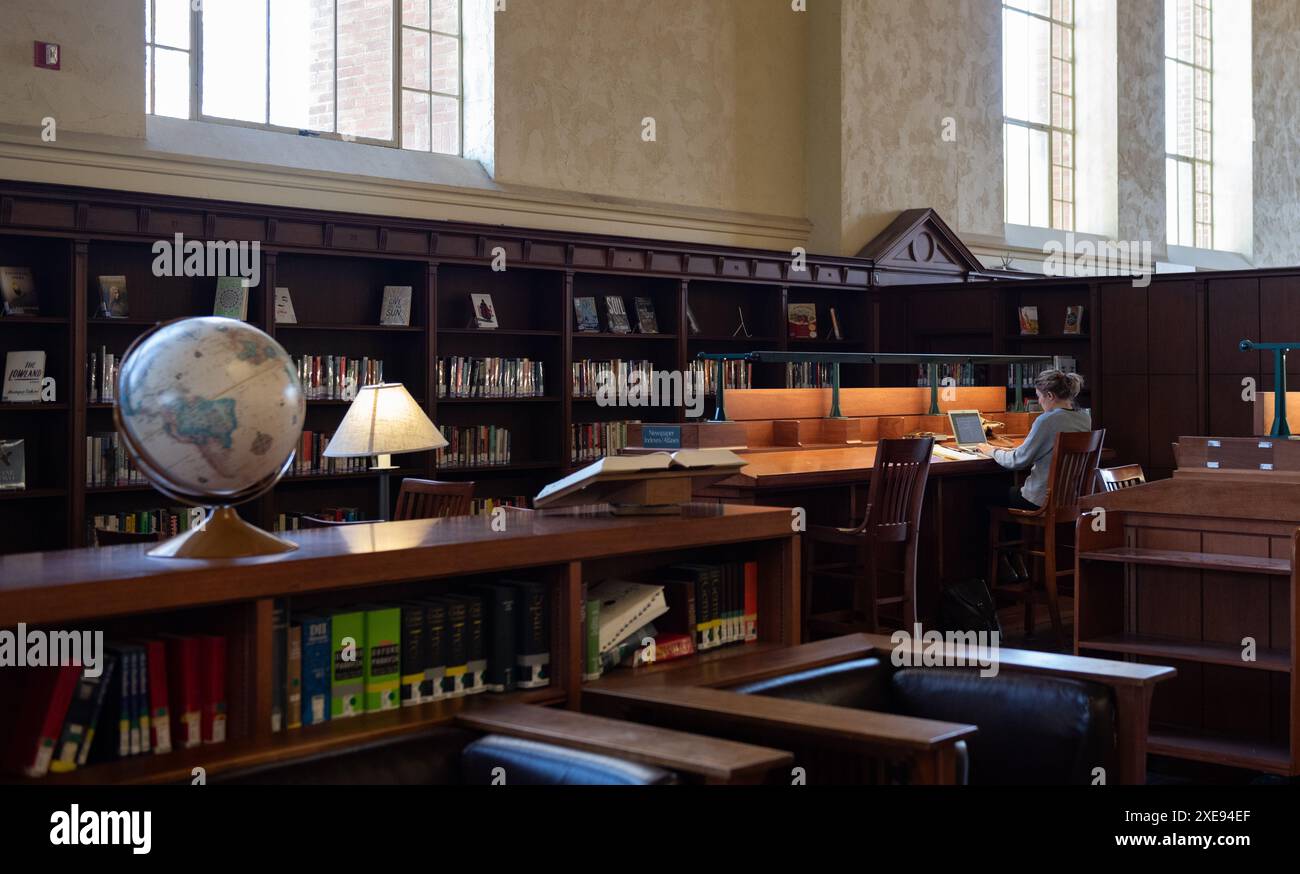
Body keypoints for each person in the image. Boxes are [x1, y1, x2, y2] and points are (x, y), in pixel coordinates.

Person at [978, 369, 1091, 510]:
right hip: (1068, 498)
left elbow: (1018, 461)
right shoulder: (1084, 417)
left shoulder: (1047, 420)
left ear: (1050, 395)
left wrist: (991, 450)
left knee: (980, 491)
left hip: (1040, 499)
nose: (1039, 401)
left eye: (1039, 396)